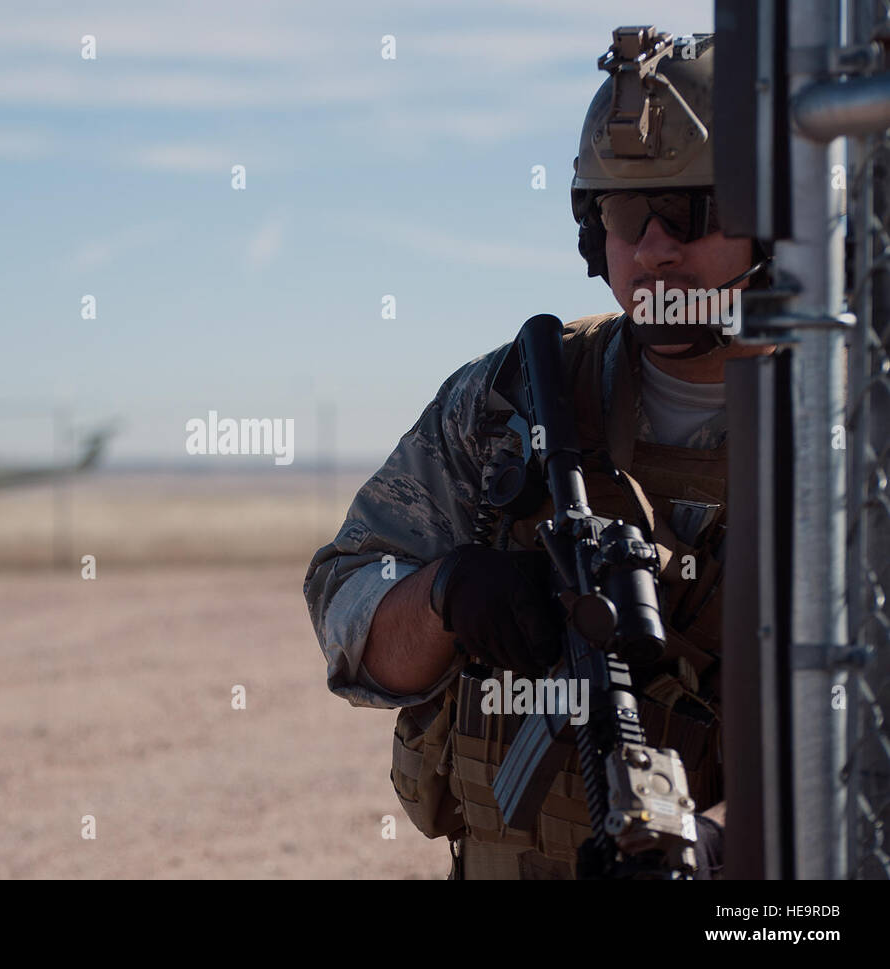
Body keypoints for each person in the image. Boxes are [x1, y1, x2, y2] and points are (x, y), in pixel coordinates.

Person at [304, 26, 771, 879]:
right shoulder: (511, 398)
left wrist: (721, 844)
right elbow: (348, 609)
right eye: (625, 214)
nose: (655, 246)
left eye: (690, 210)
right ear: (594, 234)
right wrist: (445, 594)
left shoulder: (849, 433)